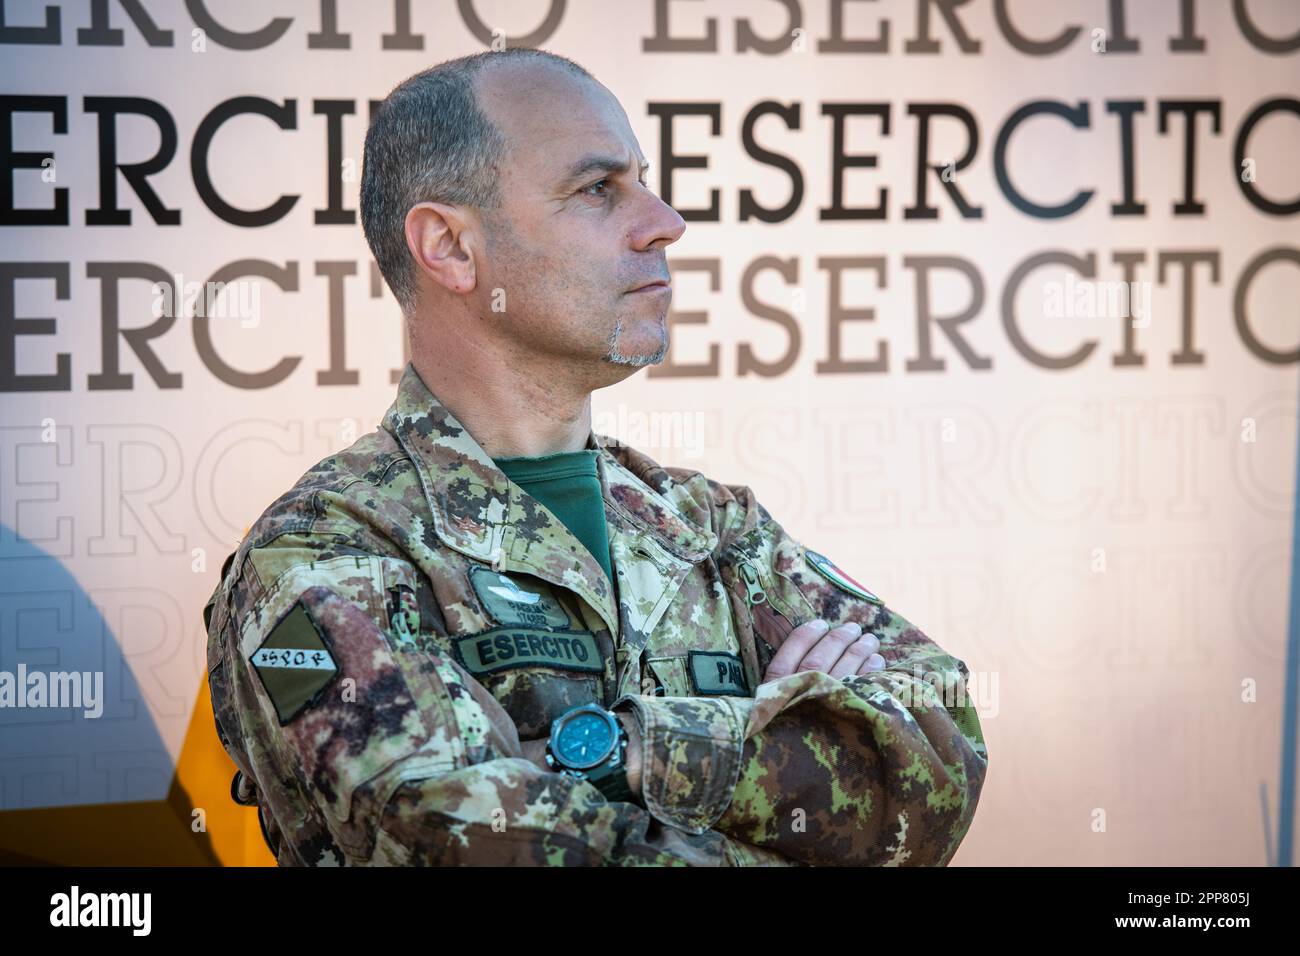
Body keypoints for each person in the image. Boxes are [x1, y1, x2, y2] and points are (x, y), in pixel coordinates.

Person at [203, 48, 988, 866]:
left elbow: (942, 752)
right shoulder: (327, 553)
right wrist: (772, 745)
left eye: (643, 181)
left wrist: (621, 751)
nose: (665, 223)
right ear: (450, 248)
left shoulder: (710, 527)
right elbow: (472, 842)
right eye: (597, 190)